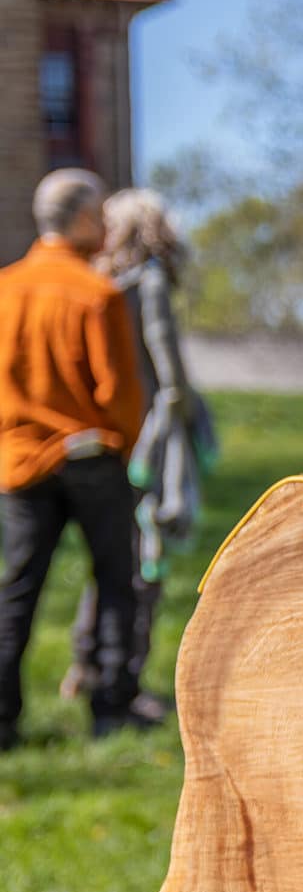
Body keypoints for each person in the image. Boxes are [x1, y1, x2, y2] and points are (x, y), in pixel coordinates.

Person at [0, 170, 146, 746]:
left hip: (18, 462)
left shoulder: (5, 288)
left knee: (17, 587)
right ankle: (111, 708)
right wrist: (124, 447)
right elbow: (119, 394)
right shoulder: (97, 294)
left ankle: (3, 718)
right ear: (84, 220)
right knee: (114, 581)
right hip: (90, 456)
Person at [63, 190, 211, 718]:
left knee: (110, 557)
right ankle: (125, 673)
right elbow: (167, 370)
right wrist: (191, 421)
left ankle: (86, 663)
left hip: (106, 435)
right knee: (144, 560)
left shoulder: (94, 280)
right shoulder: (147, 282)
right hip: (149, 436)